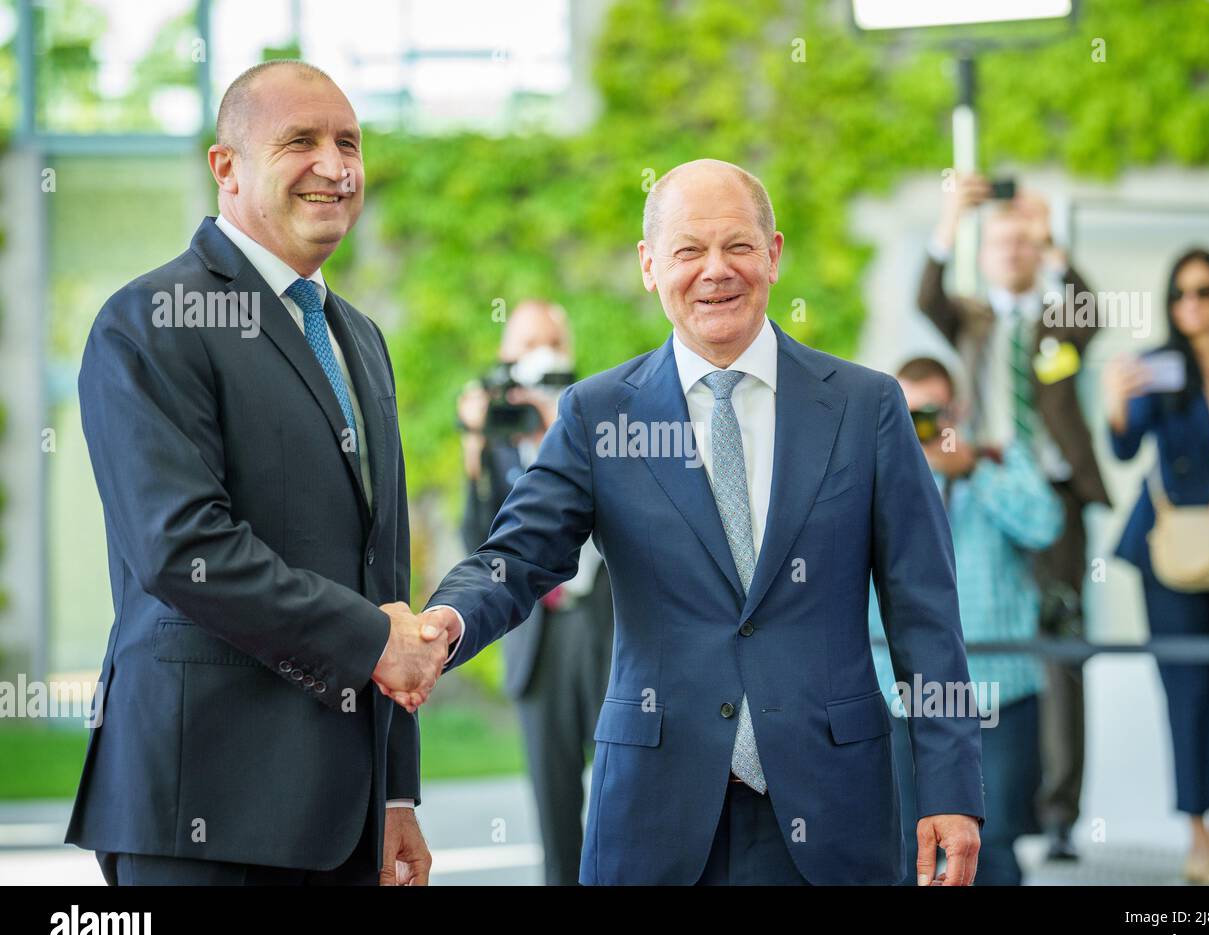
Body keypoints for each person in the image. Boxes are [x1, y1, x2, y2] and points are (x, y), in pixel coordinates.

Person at [407, 158, 985, 885]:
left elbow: (926, 611)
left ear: (773, 255)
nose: (716, 270)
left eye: (738, 245)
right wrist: (443, 626)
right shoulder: (597, 414)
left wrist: (952, 787)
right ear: (651, 266)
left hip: (831, 813)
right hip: (654, 817)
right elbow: (518, 555)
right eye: (689, 251)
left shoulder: (867, 408)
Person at [67, 60, 444, 885]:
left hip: (346, 823)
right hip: (206, 814)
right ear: (225, 167)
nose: (336, 165)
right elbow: (182, 547)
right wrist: (373, 640)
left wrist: (395, 794)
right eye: (300, 140)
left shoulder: (357, 336)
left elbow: (380, 569)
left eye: (348, 142)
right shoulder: (153, 319)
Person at [918, 174, 1109, 860]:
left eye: (1023, 240)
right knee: (986, 630)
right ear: (984, 251)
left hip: (1052, 493)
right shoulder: (971, 317)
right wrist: (950, 216)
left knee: (1060, 648)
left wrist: (1051, 239)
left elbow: (1091, 305)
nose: (1013, 249)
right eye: (1001, 240)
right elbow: (926, 296)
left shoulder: (1061, 321)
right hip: (984, 478)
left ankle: (1058, 809)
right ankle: (985, 792)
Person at [1104, 247, 1209, 885]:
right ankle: (1198, 840)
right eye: (1180, 294)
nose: (1192, 305)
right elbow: (1124, 448)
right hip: (1171, 552)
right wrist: (1116, 402)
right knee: (1187, 692)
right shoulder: (1159, 366)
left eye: (1205, 291)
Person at [874, 356, 1061, 885]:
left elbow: (1045, 525)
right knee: (910, 842)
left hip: (1000, 687)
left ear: (959, 407)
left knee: (994, 842)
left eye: (935, 411)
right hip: (902, 690)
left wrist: (973, 468)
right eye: (911, 415)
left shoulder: (998, 457)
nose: (925, 427)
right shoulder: (874, 466)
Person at [457, 300, 613, 885]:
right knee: (554, 807)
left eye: (551, 343)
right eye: (526, 347)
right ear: (505, 361)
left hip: (602, 627)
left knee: (623, 789)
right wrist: (475, 452)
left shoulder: (594, 419)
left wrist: (562, 437)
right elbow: (478, 544)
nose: (540, 356)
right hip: (536, 638)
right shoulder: (496, 438)